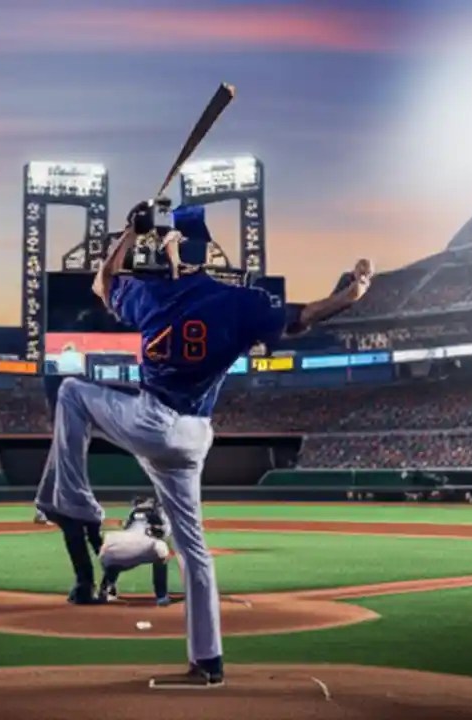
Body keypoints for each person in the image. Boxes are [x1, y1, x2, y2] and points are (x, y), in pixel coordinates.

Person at [34, 196, 374, 689]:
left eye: (169, 242)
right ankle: (208, 662)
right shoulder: (241, 302)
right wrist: (349, 296)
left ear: (175, 254)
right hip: (193, 438)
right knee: (195, 552)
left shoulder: (151, 297)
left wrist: (130, 233)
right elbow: (301, 317)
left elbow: (101, 283)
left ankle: (72, 503)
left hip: (152, 420)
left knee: (71, 393)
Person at [97, 495, 173, 605]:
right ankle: (161, 595)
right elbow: (164, 534)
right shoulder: (160, 513)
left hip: (112, 549)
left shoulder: (133, 513)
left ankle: (105, 589)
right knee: (162, 553)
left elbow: (126, 528)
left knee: (112, 555)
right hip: (144, 547)